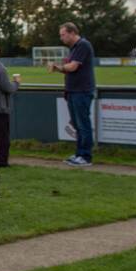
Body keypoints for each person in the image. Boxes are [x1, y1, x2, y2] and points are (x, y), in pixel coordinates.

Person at [48, 22, 95, 166]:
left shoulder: (83, 45)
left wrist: (59, 67)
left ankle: (85, 156)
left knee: (83, 124)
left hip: (81, 91)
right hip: (73, 91)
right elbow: (69, 68)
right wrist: (59, 68)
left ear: (72, 33)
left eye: (63, 34)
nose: (61, 38)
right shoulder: (74, 48)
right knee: (77, 124)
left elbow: (73, 67)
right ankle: (79, 154)